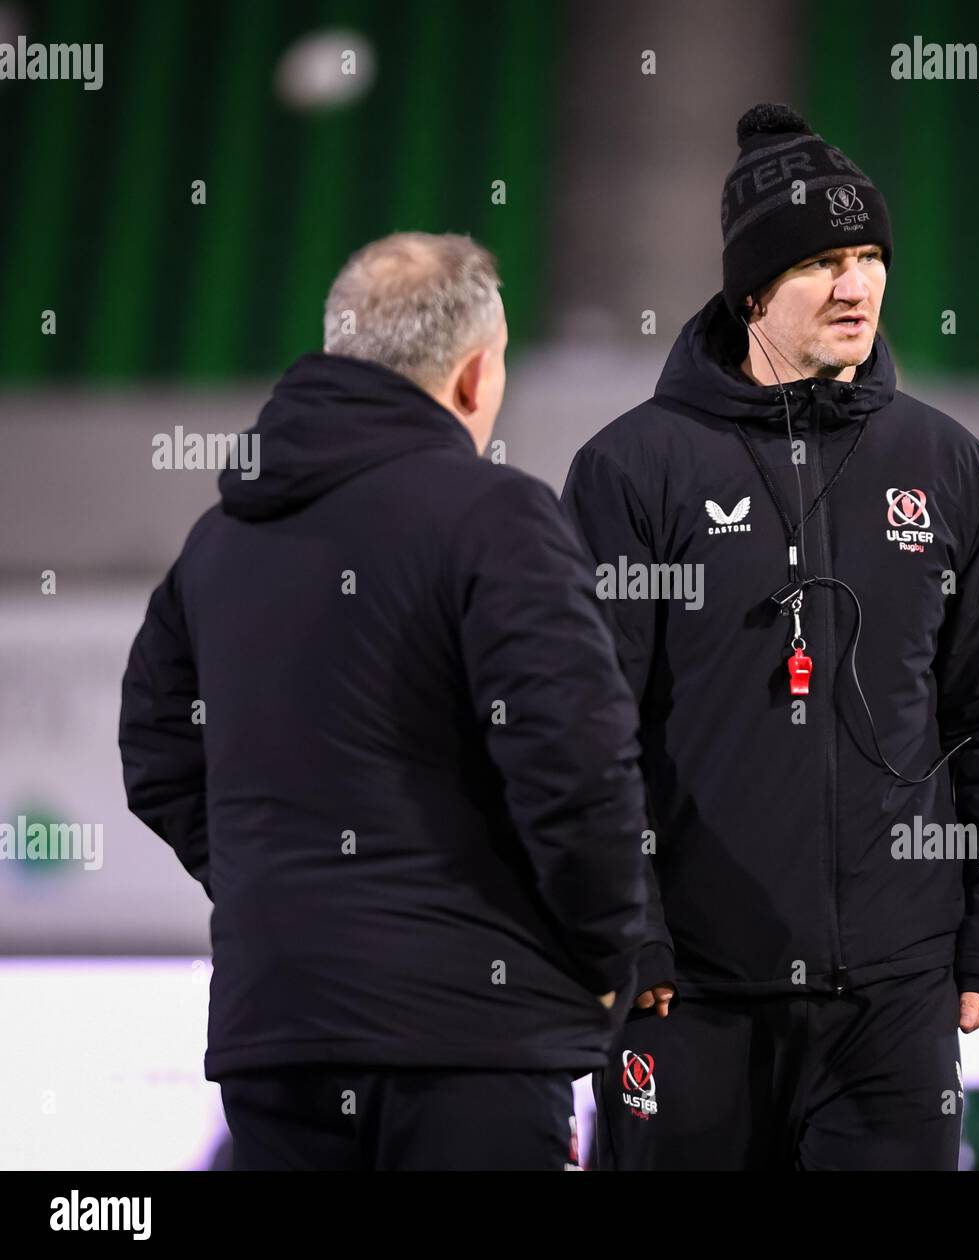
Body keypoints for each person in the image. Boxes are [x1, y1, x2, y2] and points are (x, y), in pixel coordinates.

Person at [561, 105, 979, 1170]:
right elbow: (590, 730)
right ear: (750, 290)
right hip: (684, 989)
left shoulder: (948, 465)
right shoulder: (632, 471)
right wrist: (629, 929)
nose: (857, 285)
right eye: (823, 261)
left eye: (870, 255)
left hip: (893, 997)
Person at [119, 232, 649, 1170]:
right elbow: (575, 764)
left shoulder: (219, 540)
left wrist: (278, 888)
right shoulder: (499, 517)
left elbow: (158, 749)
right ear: (473, 375)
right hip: (467, 1047)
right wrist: (608, 955)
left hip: (278, 1035)